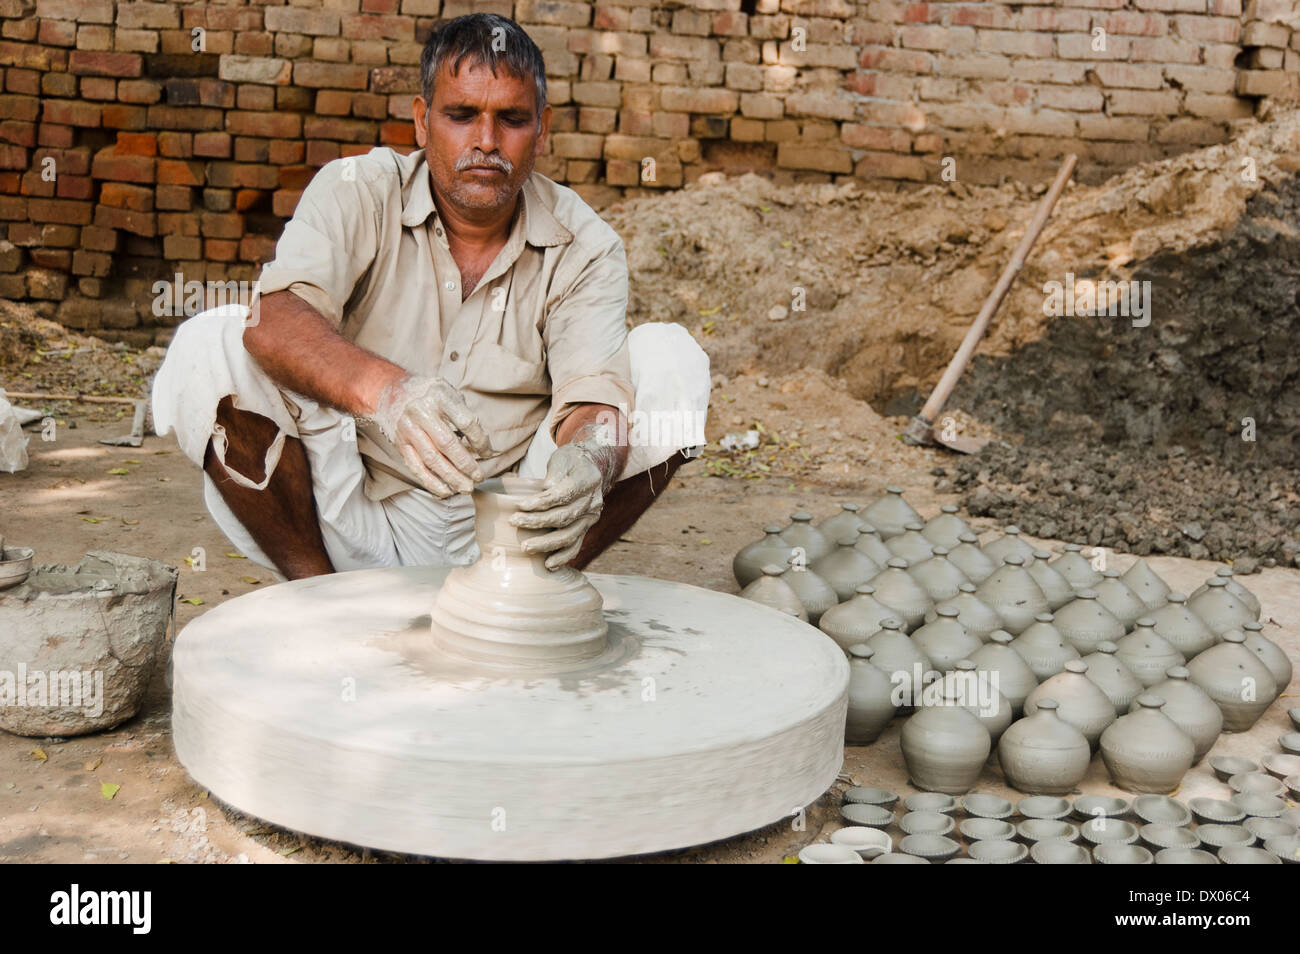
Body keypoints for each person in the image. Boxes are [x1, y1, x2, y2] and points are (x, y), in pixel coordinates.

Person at [152, 13, 709, 580]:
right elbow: (275, 321)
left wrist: (591, 460)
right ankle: (317, 596)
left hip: (513, 528)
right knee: (212, 339)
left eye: (511, 119)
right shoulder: (359, 191)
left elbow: (591, 395)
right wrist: (388, 393)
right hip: (355, 513)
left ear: (542, 130)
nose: (486, 142)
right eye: (461, 115)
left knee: (672, 361)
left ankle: (534, 598)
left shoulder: (584, 243)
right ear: (423, 121)